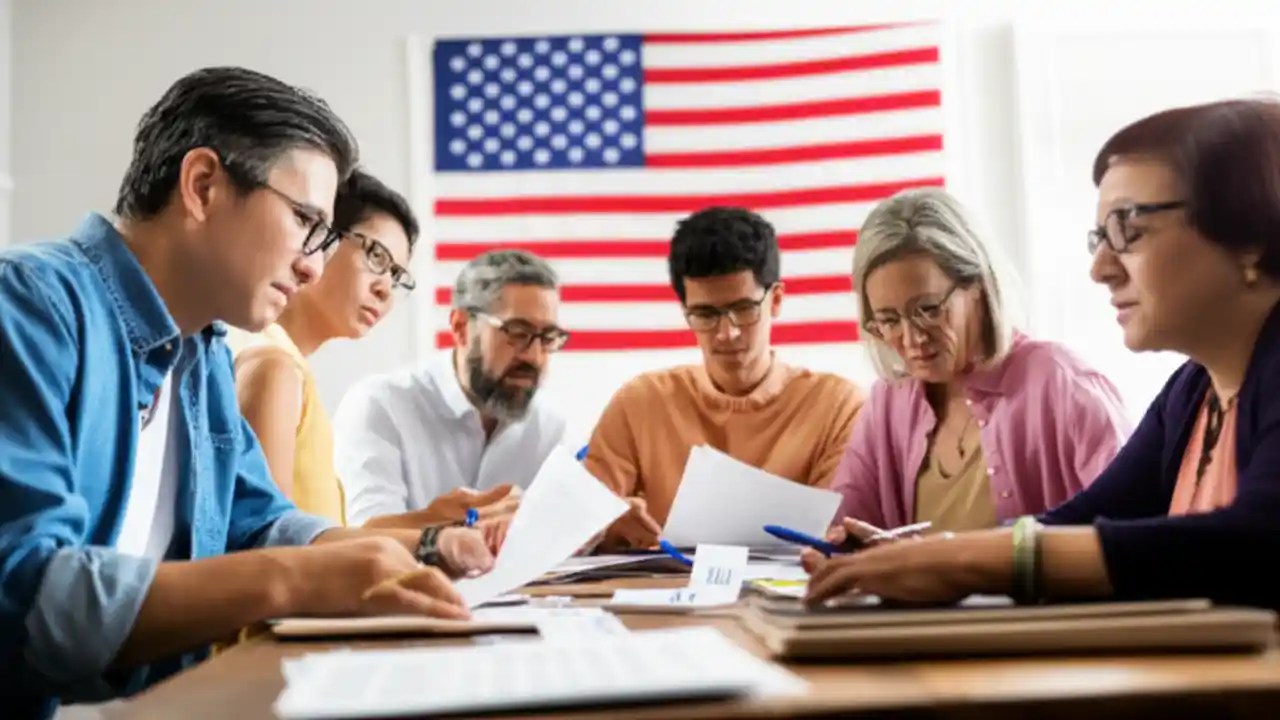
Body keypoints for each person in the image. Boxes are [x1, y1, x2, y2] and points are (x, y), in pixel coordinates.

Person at [0, 67, 492, 718]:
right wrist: (291, 580)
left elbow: (259, 523)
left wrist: (417, 549)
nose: (314, 265)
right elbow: (24, 599)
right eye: (304, 222)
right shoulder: (29, 305)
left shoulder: (200, 351)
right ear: (203, 185)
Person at [806, 98, 1280, 611]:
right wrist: (932, 554)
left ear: (1250, 236)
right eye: (1100, 237)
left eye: (1129, 230)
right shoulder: (1191, 391)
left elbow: (1256, 545)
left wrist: (963, 561)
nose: (1100, 268)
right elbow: (1083, 522)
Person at [827, 188, 1131, 535]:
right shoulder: (889, 402)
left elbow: (1131, 534)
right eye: (889, 320)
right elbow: (843, 525)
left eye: (927, 310)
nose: (911, 340)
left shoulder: (1063, 383)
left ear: (977, 284)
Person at [585, 207, 867, 550]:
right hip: (666, 598)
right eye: (705, 314)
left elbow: (834, 537)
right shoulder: (640, 402)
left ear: (775, 300)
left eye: (744, 309)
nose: (727, 332)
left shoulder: (837, 405)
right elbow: (578, 523)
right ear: (685, 311)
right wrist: (603, 527)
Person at [226, 170, 419, 526]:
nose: (385, 290)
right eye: (377, 257)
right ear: (319, 236)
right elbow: (271, 551)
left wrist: (426, 531)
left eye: (396, 277)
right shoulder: (273, 366)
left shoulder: (285, 362)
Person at [335, 250, 570, 529]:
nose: (534, 356)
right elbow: (364, 538)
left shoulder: (552, 426)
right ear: (460, 327)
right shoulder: (381, 405)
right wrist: (443, 522)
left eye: (548, 338)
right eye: (518, 333)